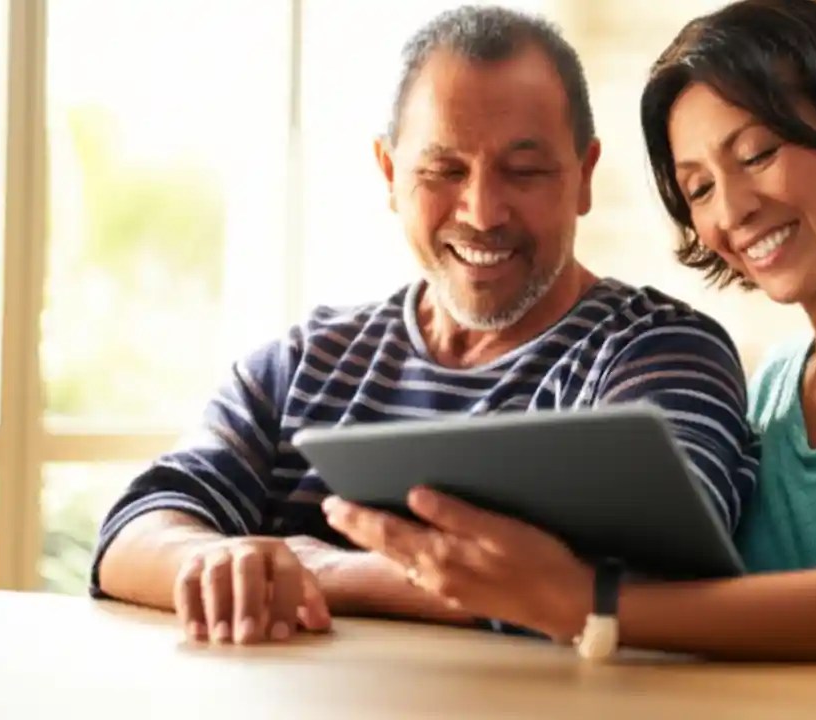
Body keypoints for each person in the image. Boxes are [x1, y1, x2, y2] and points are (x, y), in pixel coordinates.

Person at [323, 0, 816, 675]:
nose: (731, 210)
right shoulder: (772, 391)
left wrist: (587, 602)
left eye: (757, 153)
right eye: (698, 187)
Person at [91, 5, 759, 646]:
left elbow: (650, 584)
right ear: (389, 173)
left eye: (523, 171)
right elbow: (134, 532)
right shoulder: (303, 365)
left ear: (583, 176)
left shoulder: (659, 353)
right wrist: (214, 564)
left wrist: (320, 570)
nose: (482, 210)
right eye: (443, 170)